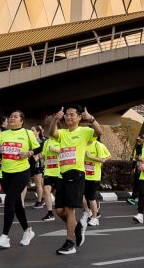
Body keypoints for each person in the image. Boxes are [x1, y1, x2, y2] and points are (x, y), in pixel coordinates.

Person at [44, 105, 105, 256]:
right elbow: (51, 133)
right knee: (59, 211)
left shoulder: (84, 131)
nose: (68, 117)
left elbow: (99, 132)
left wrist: (91, 119)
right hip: (62, 174)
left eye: (72, 114)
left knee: (69, 210)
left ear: (79, 117)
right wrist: (55, 119)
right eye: (66, 114)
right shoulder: (62, 133)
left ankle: (70, 243)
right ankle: (77, 227)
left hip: (76, 174)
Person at [0, 110, 39, 248]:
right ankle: (28, 231)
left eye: (15, 117)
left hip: (22, 171)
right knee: (17, 203)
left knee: (9, 200)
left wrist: (28, 153)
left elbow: (38, 148)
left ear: (21, 121)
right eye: (11, 116)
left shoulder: (27, 133)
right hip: (6, 172)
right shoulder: (3, 134)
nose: (12, 118)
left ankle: (5, 237)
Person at [82, 135, 110, 227]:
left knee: (91, 197)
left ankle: (95, 218)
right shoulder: (83, 144)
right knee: (80, 195)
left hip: (93, 176)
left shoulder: (98, 145)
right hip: (83, 174)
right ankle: (88, 211)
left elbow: (103, 159)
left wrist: (90, 157)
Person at [40, 131, 62, 221]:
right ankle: (50, 213)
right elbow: (44, 154)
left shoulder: (62, 140)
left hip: (59, 171)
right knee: (46, 189)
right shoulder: (47, 142)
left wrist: (55, 150)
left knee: (60, 193)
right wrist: (39, 155)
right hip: (48, 171)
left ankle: (64, 211)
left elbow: (67, 153)